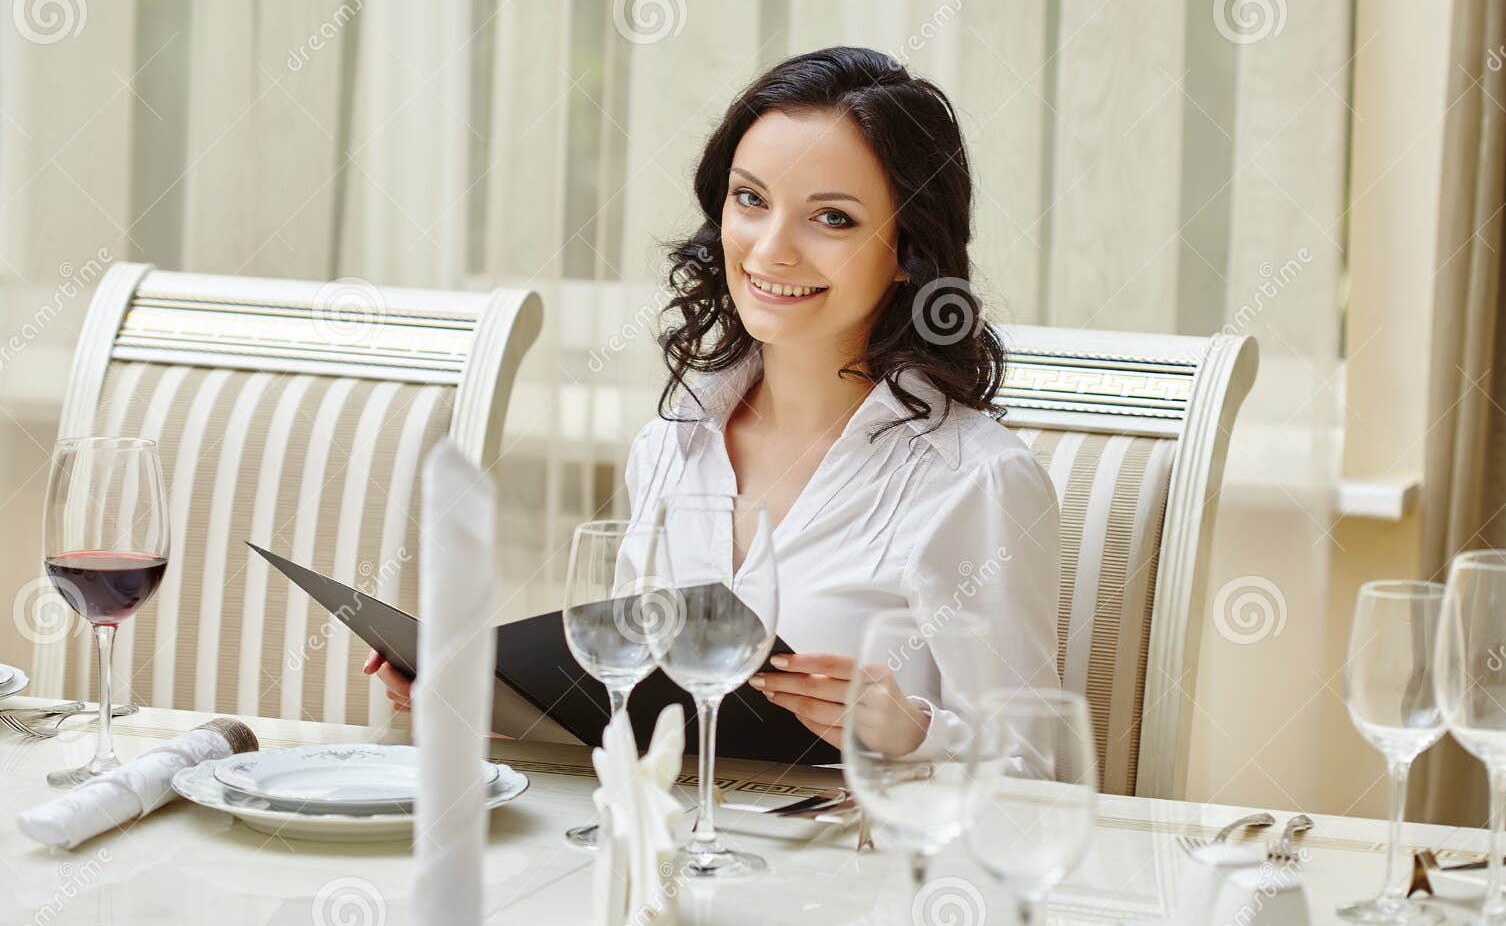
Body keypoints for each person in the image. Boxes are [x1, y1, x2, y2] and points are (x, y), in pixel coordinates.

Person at [370, 45, 1060, 758]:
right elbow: (637, 727)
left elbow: (1043, 771)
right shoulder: (670, 444)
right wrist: (479, 706)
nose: (770, 249)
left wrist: (913, 731)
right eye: (751, 199)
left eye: (833, 219)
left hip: (856, 867)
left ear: (907, 251)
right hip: (680, 859)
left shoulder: (975, 480)